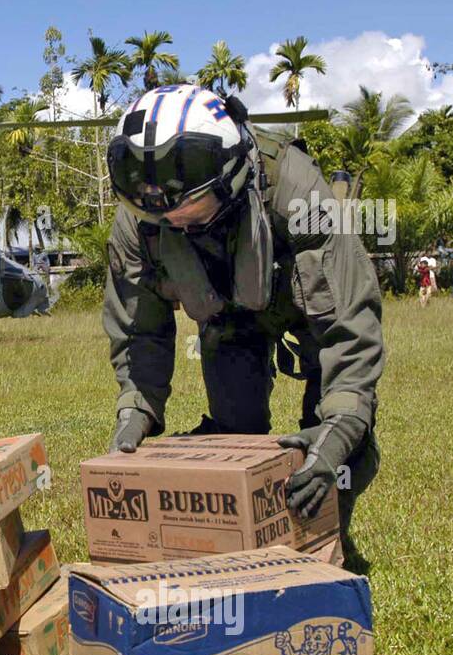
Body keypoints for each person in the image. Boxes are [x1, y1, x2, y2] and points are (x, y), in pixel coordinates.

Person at [103, 85, 383, 563]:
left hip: (306, 308)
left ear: (230, 177)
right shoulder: (142, 219)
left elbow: (347, 322)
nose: (176, 222)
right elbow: (138, 327)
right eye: (161, 213)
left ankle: (327, 541)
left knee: (337, 440)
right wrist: (136, 409)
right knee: (234, 428)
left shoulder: (297, 192)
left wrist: (339, 429)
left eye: (188, 209)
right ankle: (242, 542)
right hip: (227, 317)